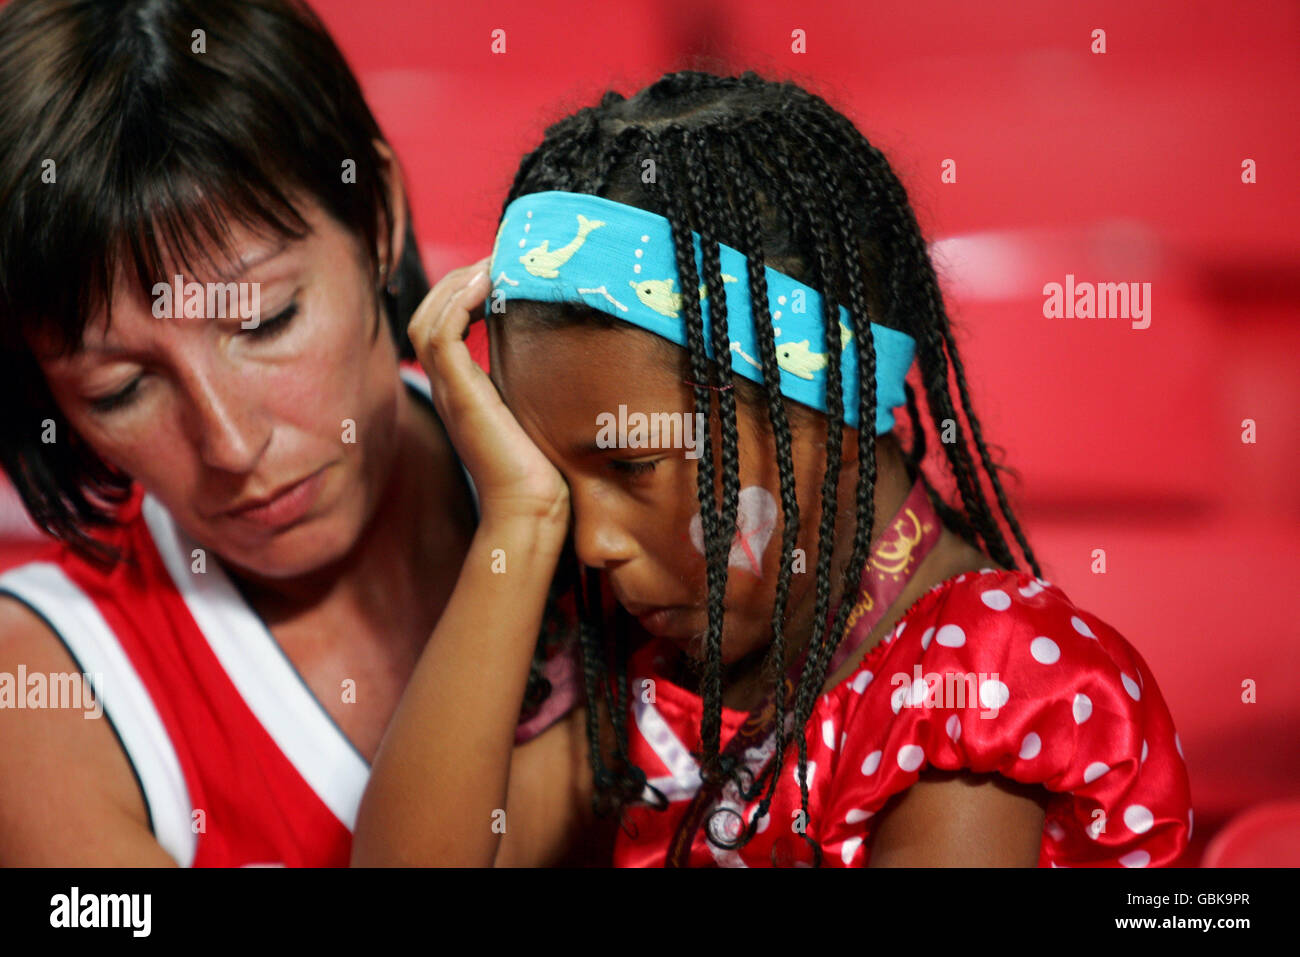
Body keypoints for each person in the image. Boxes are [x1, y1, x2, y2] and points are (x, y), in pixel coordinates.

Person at [354, 70, 1193, 867]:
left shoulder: (968, 691)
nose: (594, 541)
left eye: (633, 462)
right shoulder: (655, 665)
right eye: (550, 476)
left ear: (822, 411)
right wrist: (518, 520)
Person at [0, 0, 577, 867]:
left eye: (266, 320)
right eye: (121, 389)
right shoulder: (40, 700)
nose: (231, 445)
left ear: (377, 217)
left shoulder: (603, 456)